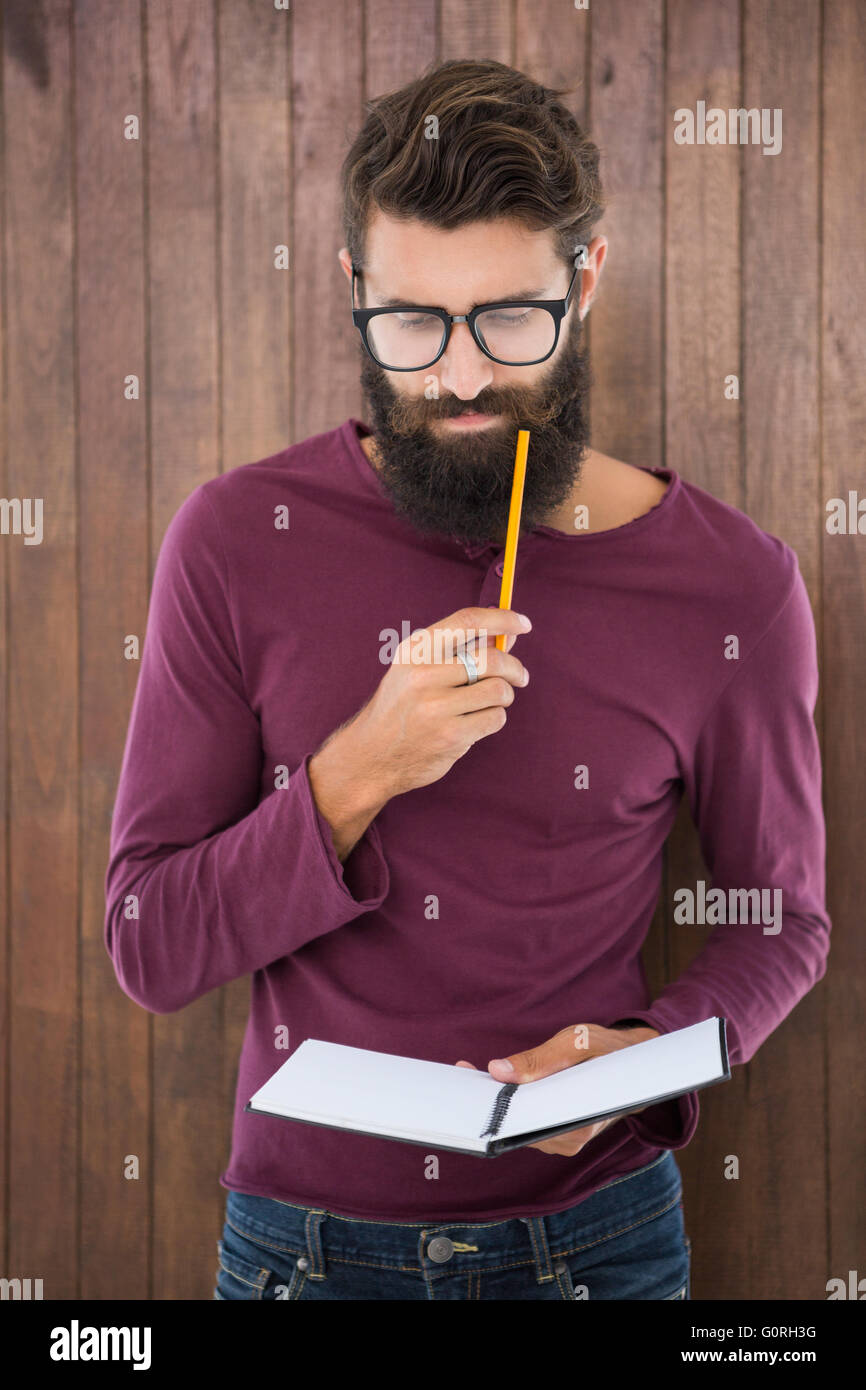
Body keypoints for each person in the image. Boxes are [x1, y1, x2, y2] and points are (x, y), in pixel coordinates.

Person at [104, 58, 831, 1301]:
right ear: (352, 291)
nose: (455, 378)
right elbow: (149, 946)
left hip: (595, 1245)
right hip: (300, 1252)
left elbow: (783, 922)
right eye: (409, 323)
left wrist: (640, 1056)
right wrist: (352, 777)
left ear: (583, 283)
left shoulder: (733, 588)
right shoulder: (233, 539)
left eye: (508, 319)